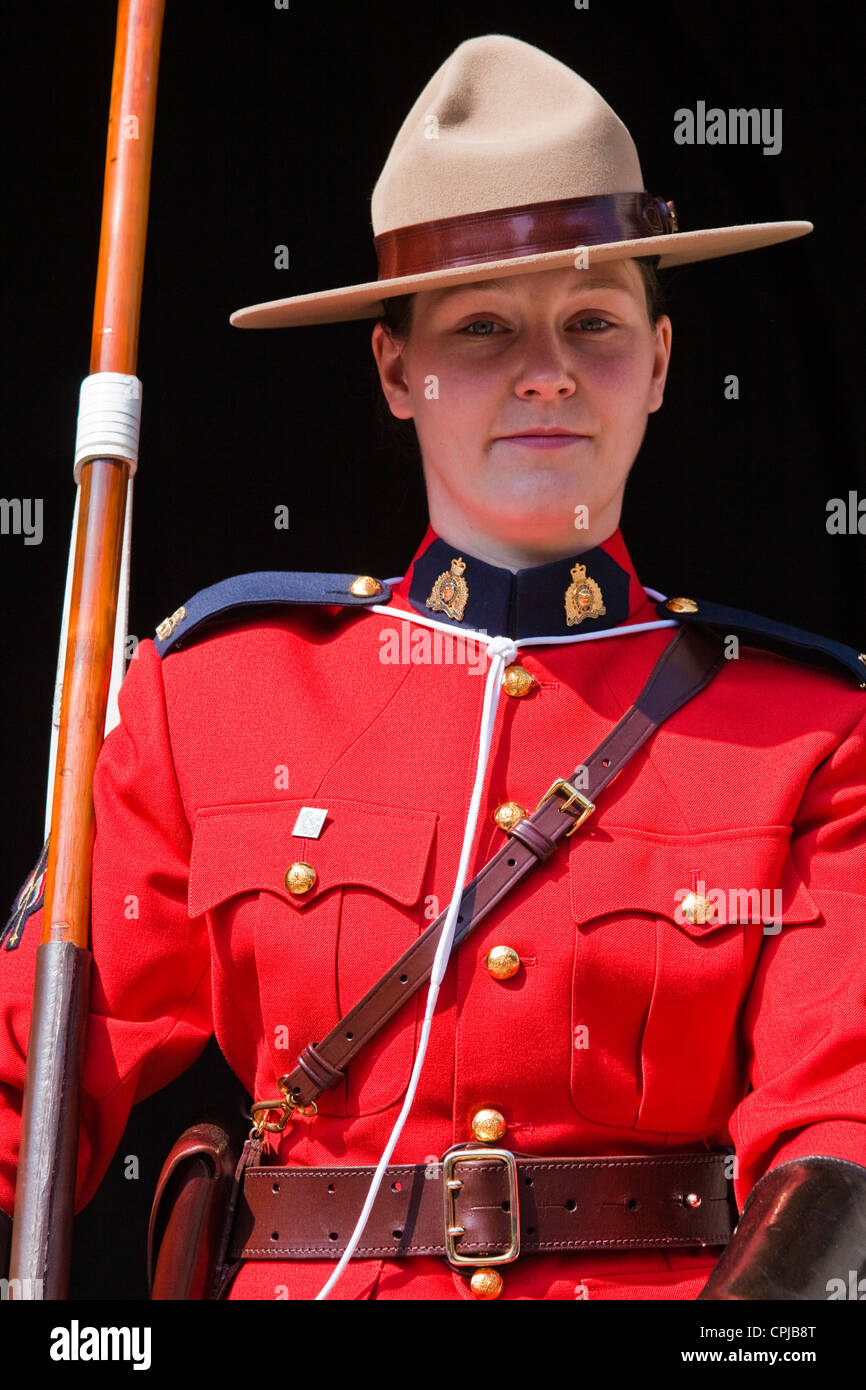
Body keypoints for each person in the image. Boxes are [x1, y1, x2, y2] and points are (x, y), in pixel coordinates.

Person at [2, 33, 865, 1303]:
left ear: (662, 362)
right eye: (478, 326)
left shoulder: (804, 727)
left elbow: (839, 1128)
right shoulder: (213, 697)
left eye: (591, 320)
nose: (543, 371)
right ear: (393, 367)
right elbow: (29, 1076)